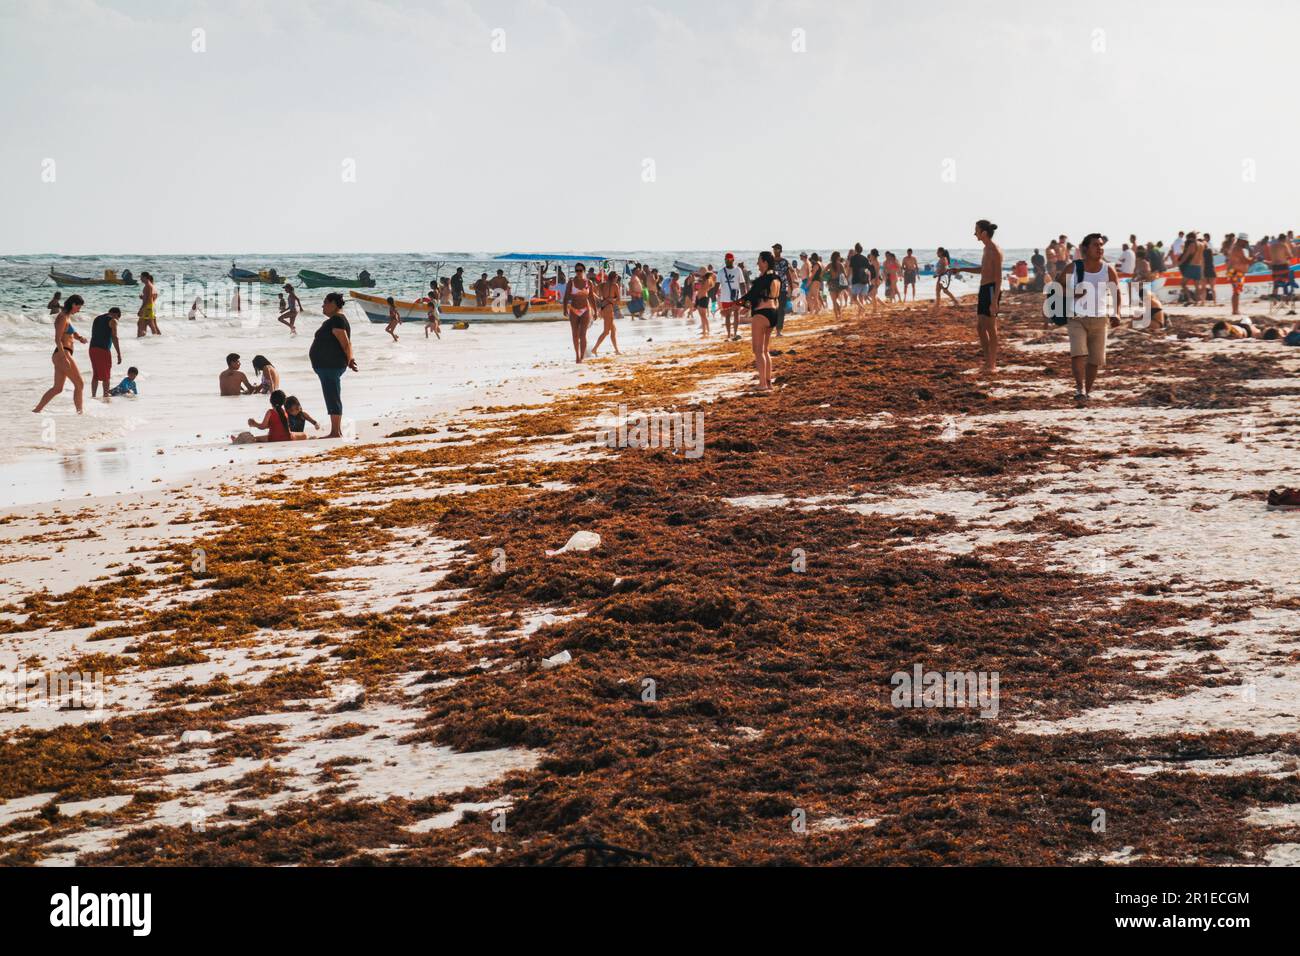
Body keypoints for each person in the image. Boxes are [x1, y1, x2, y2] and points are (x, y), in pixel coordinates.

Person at [1066, 233, 1121, 401]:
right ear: (1086, 248)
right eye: (1096, 245)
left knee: (1095, 360)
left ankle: (1087, 392)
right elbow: (1057, 286)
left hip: (1100, 318)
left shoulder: (1108, 269)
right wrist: (1074, 292)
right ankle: (1080, 389)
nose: (1100, 248)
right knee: (1078, 353)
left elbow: (1116, 291)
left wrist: (1117, 312)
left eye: (1101, 245)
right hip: (1077, 317)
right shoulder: (1074, 267)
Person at [310, 292, 357, 439]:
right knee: (331, 394)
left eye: (325, 302)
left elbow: (345, 342)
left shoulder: (337, 319)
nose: (322, 306)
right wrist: (350, 359)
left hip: (330, 365)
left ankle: (335, 432)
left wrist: (349, 360)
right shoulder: (337, 320)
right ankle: (335, 431)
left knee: (332, 395)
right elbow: (347, 343)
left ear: (333, 304)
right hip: (327, 366)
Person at [33, 294, 86, 415]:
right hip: (63, 353)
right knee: (80, 384)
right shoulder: (62, 317)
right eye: (79, 307)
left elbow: (71, 332)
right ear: (73, 305)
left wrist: (80, 338)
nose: (79, 310)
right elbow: (57, 339)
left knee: (58, 388)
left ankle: (36, 411)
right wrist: (64, 357)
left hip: (61, 354)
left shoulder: (67, 317)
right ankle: (80, 413)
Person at [962, 220, 1004, 374]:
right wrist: (961, 269)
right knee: (980, 327)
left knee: (991, 327)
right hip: (983, 288)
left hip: (992, 289)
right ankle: (988, 362)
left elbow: (999, 278)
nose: (974, 234)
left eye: (976, 231)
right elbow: (982, 269)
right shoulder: (986, 250)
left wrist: (995, 301)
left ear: (984, 233)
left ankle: (992, 365)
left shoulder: (995, 251)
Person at [741, 251, 781, 391]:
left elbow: (751, 296)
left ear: (765, 262)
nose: (757, 264)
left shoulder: (764, 279)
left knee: (758, 351)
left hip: (761, 314)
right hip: (774, 313)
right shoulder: (777, 278)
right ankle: (769, 383)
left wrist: (738, 305)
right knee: (765, 350)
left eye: (759, 261)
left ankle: (762, 384)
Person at [86, 307, 122, 400]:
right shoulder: (113, 320)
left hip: (92, 348)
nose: (117, 321)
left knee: (96, 374)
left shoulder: (97, 318)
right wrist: (119, 354)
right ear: (116, 314)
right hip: (103, 349)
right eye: (118, 318)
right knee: (106, 375)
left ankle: (93, 396)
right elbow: (114, 337)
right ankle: (106, 396)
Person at [563, 261, 594, 362]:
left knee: (583, 334)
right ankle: (577, 355)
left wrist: (596, 311)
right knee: (575, 334)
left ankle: (582, 357)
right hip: (574, 309)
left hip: (585, 309)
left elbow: (591, 297)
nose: (578, 272)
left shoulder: (588, 283)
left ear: (584, 271)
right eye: (577, 270)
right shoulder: (571, 282)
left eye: (580, 270)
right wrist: (564, 308)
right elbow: (566, 296)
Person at [592, 270, 622, 356]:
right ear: (614, 278)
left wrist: (600, 300)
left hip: (603, 308)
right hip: (609, 308)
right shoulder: (615, 286)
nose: (617, 279)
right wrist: (611, 300)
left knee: (613, 330)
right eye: (616, 278)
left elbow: (592, 291)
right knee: (606, 332)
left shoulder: (602, 284)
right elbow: (618, 300)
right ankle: (594, 349)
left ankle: (616, 350)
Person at [1226, 236, 1255, 315]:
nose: (1246, 243)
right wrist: (1253, 257)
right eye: (1245, 242)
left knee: (1236, 292)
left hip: (1235, 272)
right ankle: (1235, 310)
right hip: (1236, 272)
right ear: (1240, 241)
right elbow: (1245, 260)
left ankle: (1235, 310)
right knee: (1236, 292)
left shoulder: (1236, 248)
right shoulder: (1238, 249)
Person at [849, 243, 870, 314]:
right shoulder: (865, 258)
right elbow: (868, 270)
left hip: (856, 280)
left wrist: (847, 277)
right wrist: (868, 279)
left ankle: (862, 308)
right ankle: (860, 312)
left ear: (855, 249)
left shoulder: (853, 258)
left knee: (854, 298)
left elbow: (851, 270)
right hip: (864, 280)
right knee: (861, 297)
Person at [137, 271, 159, 336]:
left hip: (148, 307)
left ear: (145, 277)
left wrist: (141, 308)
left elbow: (149, 299)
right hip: (150, 306)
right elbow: (153, 297)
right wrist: (143, 297)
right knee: (148, 323)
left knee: (145, 323)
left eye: (141, 277)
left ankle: (154, 337)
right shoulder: (149, 285)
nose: (140, 279)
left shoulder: (148, 286)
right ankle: (151, 337)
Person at [692, 267, 713, 337]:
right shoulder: (702, 279)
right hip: (699, 298)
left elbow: (700, 287)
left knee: (703, 316)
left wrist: (697, 280)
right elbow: (697, 288)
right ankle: (704, 330)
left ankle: (708, 330)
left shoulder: (706, 280)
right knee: (702, 316)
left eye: (701, 274)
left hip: (704, 298)